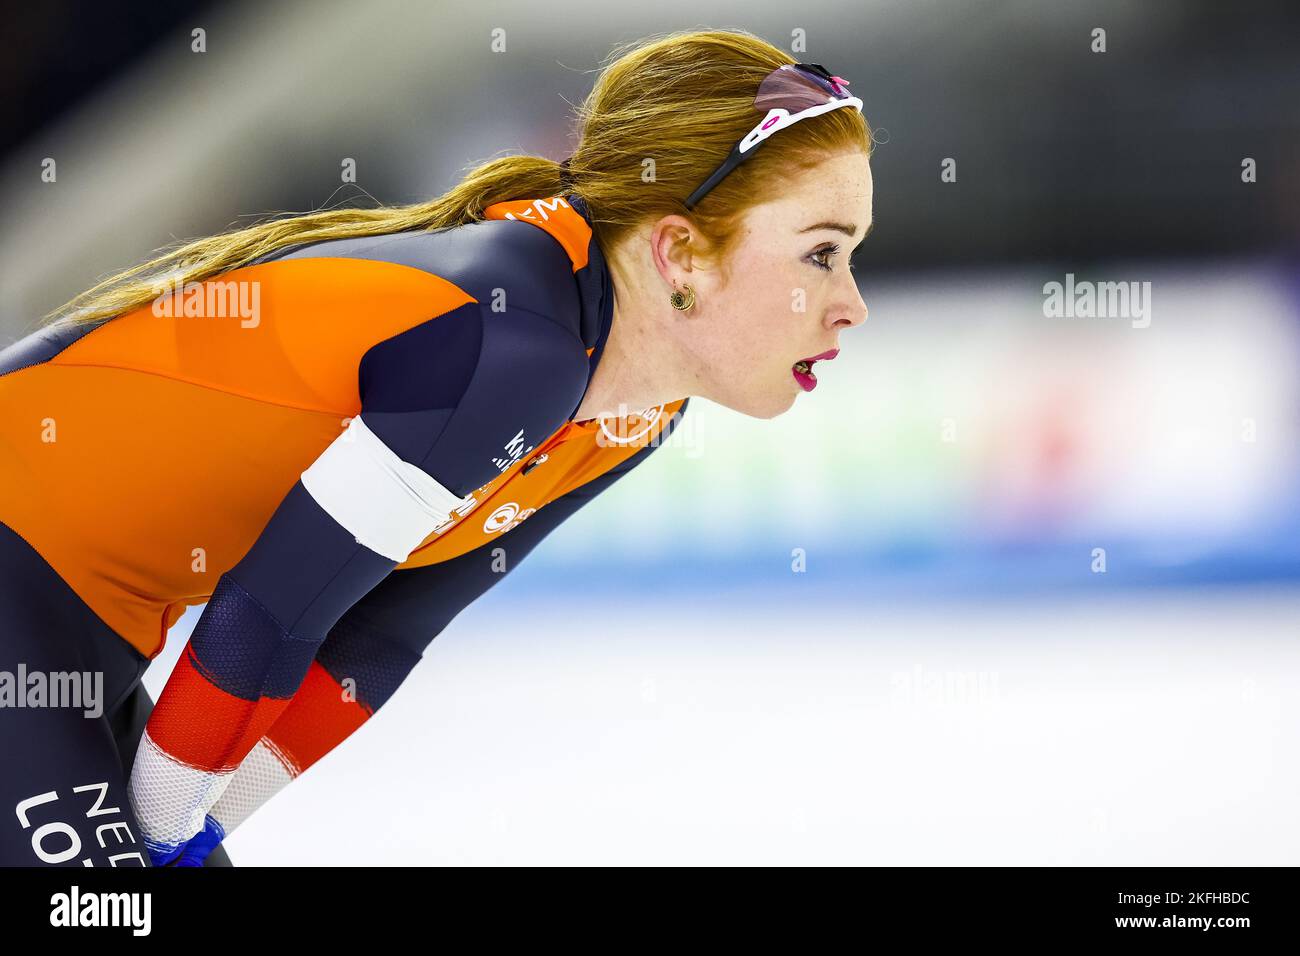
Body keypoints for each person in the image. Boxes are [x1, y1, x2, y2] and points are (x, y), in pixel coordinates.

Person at [0, 28, 872, 866]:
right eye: (822, 254)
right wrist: (157, 840)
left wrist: (197, 829)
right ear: (681, 251)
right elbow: (267, 617)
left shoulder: (631, 412)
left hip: (66, 619)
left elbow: (376, 639)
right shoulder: (509, 346)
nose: (851, 305)